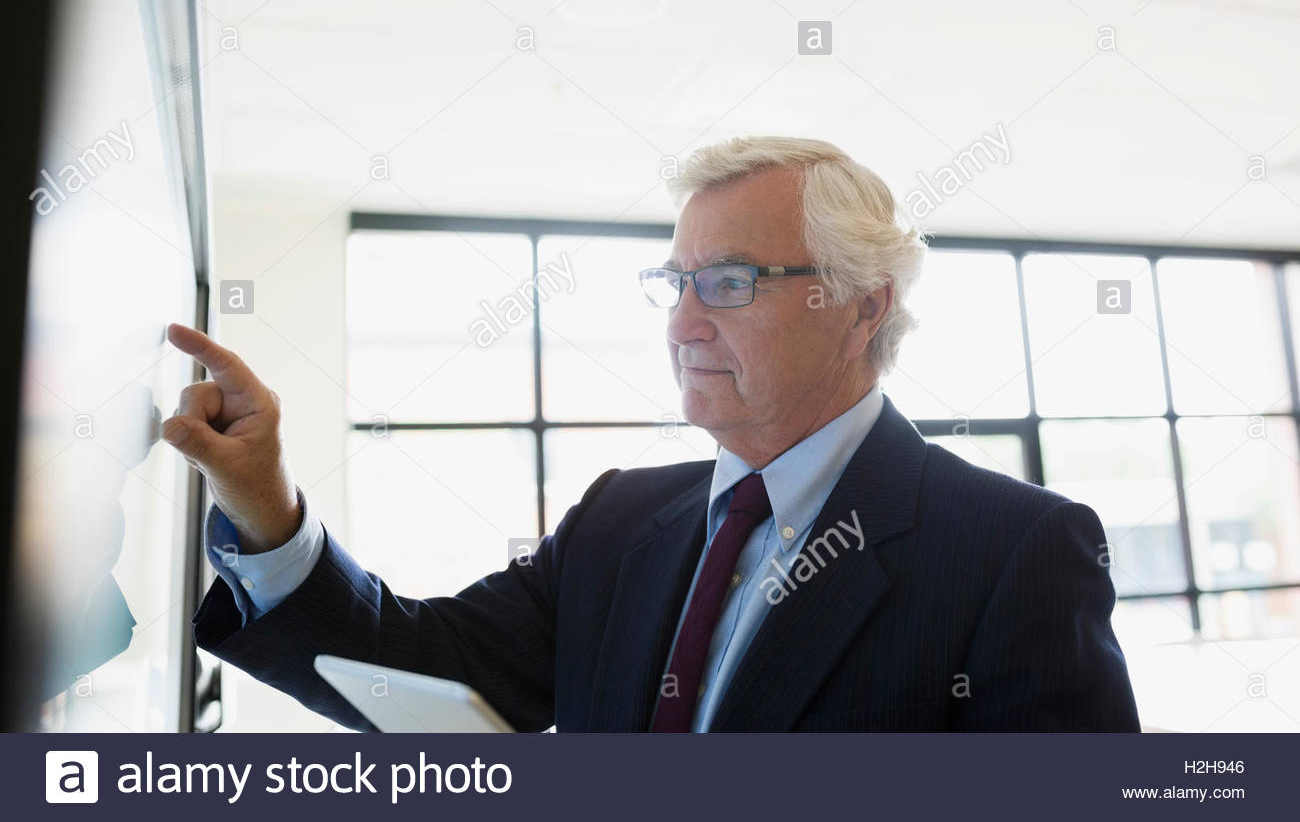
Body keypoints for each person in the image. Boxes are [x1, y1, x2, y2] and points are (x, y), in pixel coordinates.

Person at [166, 136, 1141, 732]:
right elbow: (417, 671)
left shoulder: (1014, 549)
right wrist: (263, 504)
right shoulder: (622, 518)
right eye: (674, 282)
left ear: (858, 304)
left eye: (728, 282)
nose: (680, 323)